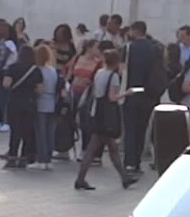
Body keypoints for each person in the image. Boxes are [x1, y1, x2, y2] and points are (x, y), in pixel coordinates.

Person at [74, 49, 138, 191]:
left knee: (107, 147)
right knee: (97, 147)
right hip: (107, 115)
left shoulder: (99, 73)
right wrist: (126, 93)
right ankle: (81, 179)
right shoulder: (113, 77)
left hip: (97, 112)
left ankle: (124, 178)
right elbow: (112, 97)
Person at [122, 20, 163, 172]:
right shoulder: (154, 49)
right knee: (141, 129)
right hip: (148, 94)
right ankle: (137, 162)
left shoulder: (128, 48)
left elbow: (123, 72)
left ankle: (129, 162)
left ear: (134, 31)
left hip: (131, 93)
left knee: (130, 129)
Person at [0, 45, 42, 168]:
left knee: (15, 130)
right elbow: (40, 90)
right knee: (27, 130)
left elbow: (6, 84)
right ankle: (24, 156)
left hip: (14, 102)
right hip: (29, 103)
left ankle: (12, 155)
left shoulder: (12, 68)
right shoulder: (36, 70)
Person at [32, 45, 64, 170]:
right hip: (53, 102)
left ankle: (41, 158)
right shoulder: (53, 70)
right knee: (50, 133)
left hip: (41, 102)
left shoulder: (37, 70)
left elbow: (39, 89)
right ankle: (49, 159)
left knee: (41, 133)